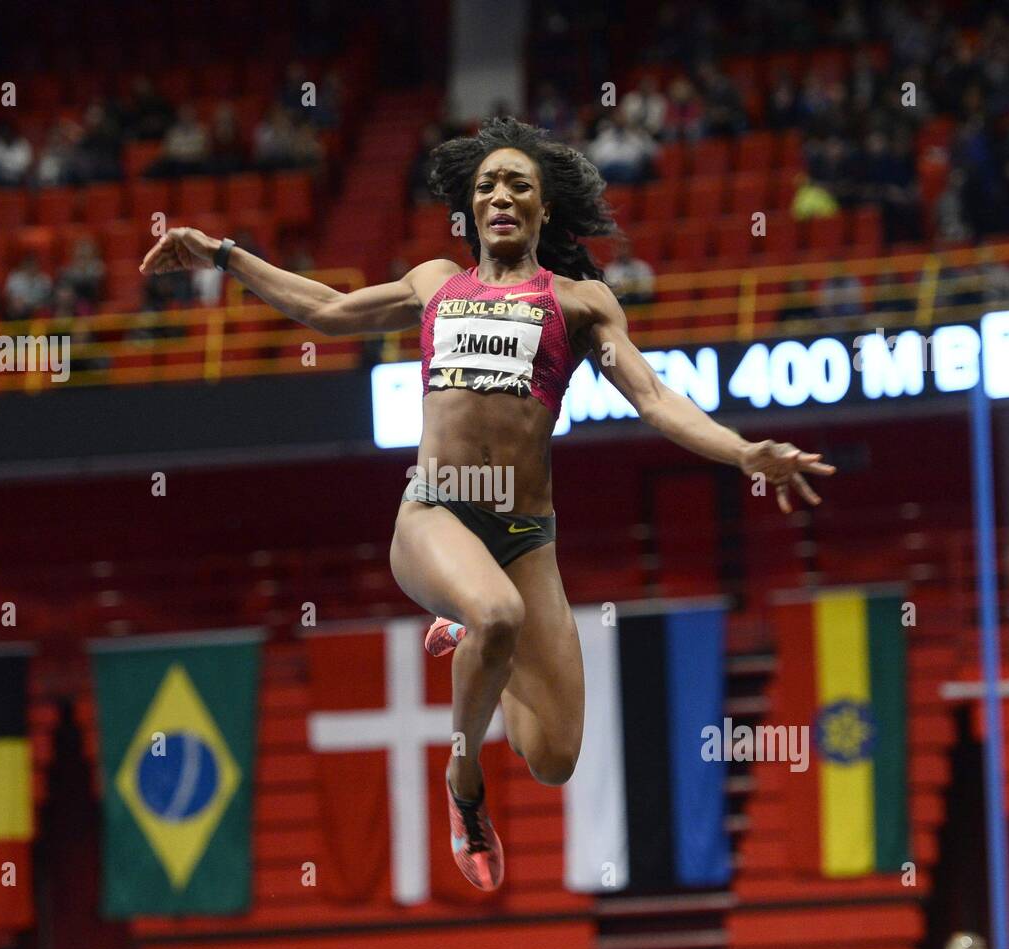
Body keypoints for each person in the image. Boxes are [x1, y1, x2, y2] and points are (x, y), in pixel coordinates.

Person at [139, 116, 834, 892]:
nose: (501, 194)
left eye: (519, 185)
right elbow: (327, 312)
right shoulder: (436, 282)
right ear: (469, 212)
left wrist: (743, 451)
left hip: (525, 537)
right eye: (486, 186)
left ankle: (473, 631)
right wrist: (226, 254)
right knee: (498, 615)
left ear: (542, 211)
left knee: (555, 755)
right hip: (434, 514)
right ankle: (464, 789)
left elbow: (653, 396)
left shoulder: (581, 303)